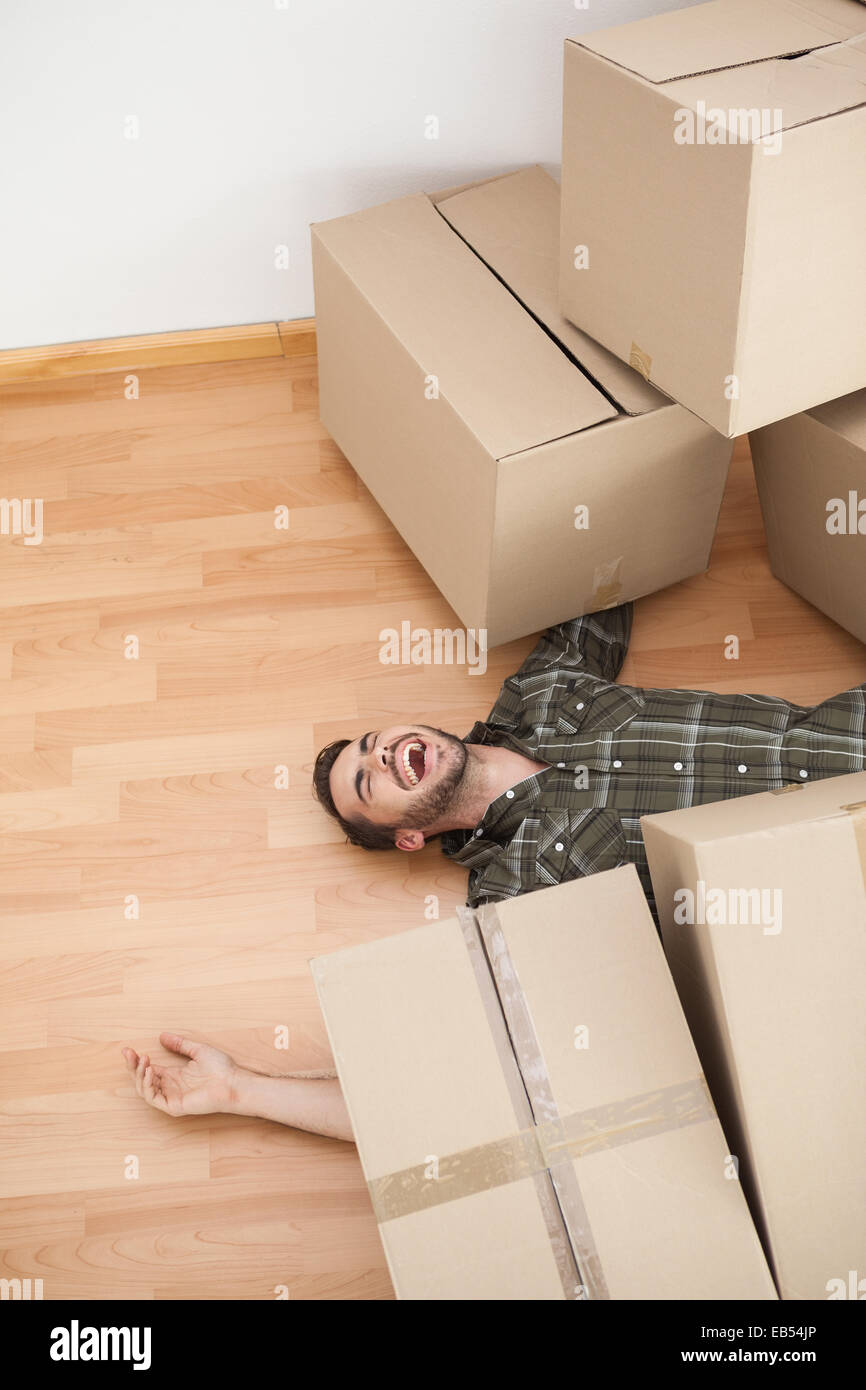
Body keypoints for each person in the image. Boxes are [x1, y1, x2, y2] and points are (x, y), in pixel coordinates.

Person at [313, 602, 866, 918]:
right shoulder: (512, 898)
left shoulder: (538, 690)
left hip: (848, 731)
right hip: (848, 866)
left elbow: (606, 566)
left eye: (371, 742)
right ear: (408, 837)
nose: (381, 755)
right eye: (367, 782)